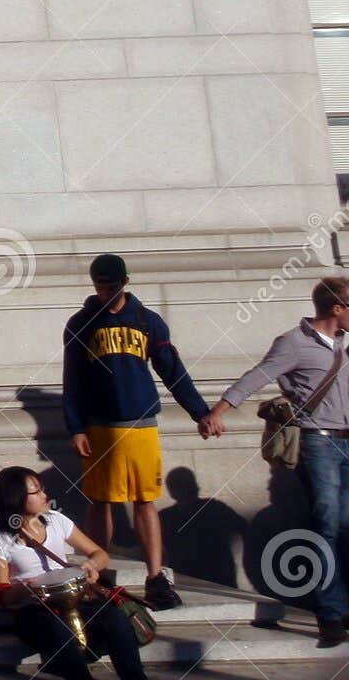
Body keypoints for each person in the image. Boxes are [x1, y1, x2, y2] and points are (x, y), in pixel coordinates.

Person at [199, 276, 349, 648]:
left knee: (345, 526)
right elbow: (257, 377)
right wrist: (216, 412)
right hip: (317, 442)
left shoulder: (345, 345)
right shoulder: (294, 343)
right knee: (327, 524)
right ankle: (331, 614)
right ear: (337, 309)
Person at [62, 254, 209, 610]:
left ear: (124, 282)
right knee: (101, 500)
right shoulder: (81, 324)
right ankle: (98, 574)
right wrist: (76, 426)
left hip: (141, 424)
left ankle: (156, 576)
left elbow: (172, 370)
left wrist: (200, 412)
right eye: (100, 286)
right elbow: (73, 381)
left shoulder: (147, 321)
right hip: (99, 426)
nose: (106, 292)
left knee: (145, 500)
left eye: (111, 286)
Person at [0, 465, 151, 680]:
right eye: (37, 492)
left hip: (73, 599)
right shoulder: (1, 538)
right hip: (35, 611)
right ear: (16, 498)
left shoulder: (56, 520)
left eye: (43, 489)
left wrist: (91, 565)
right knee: (56, 628)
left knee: (114, 618)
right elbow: (1, 593)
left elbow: (99, 553)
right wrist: (25, 589)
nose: (45, 496)